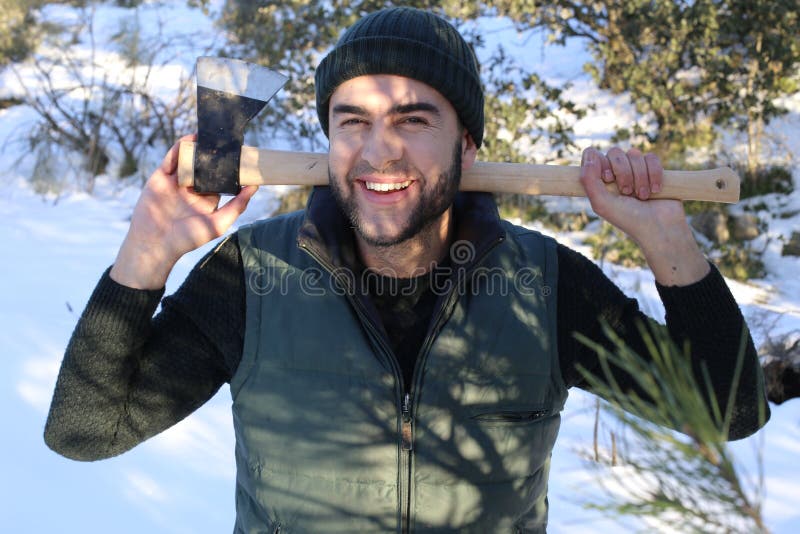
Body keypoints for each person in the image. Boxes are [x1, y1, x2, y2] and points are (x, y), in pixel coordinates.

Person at [44, 6, 769, 533]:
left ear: (470, 148)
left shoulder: (546, 286)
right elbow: (87, 432)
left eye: (415, 121)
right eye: (351, 121)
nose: (378, 152)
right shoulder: (255, 273)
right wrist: (145, 255)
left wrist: (666, 237)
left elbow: (728, 411)